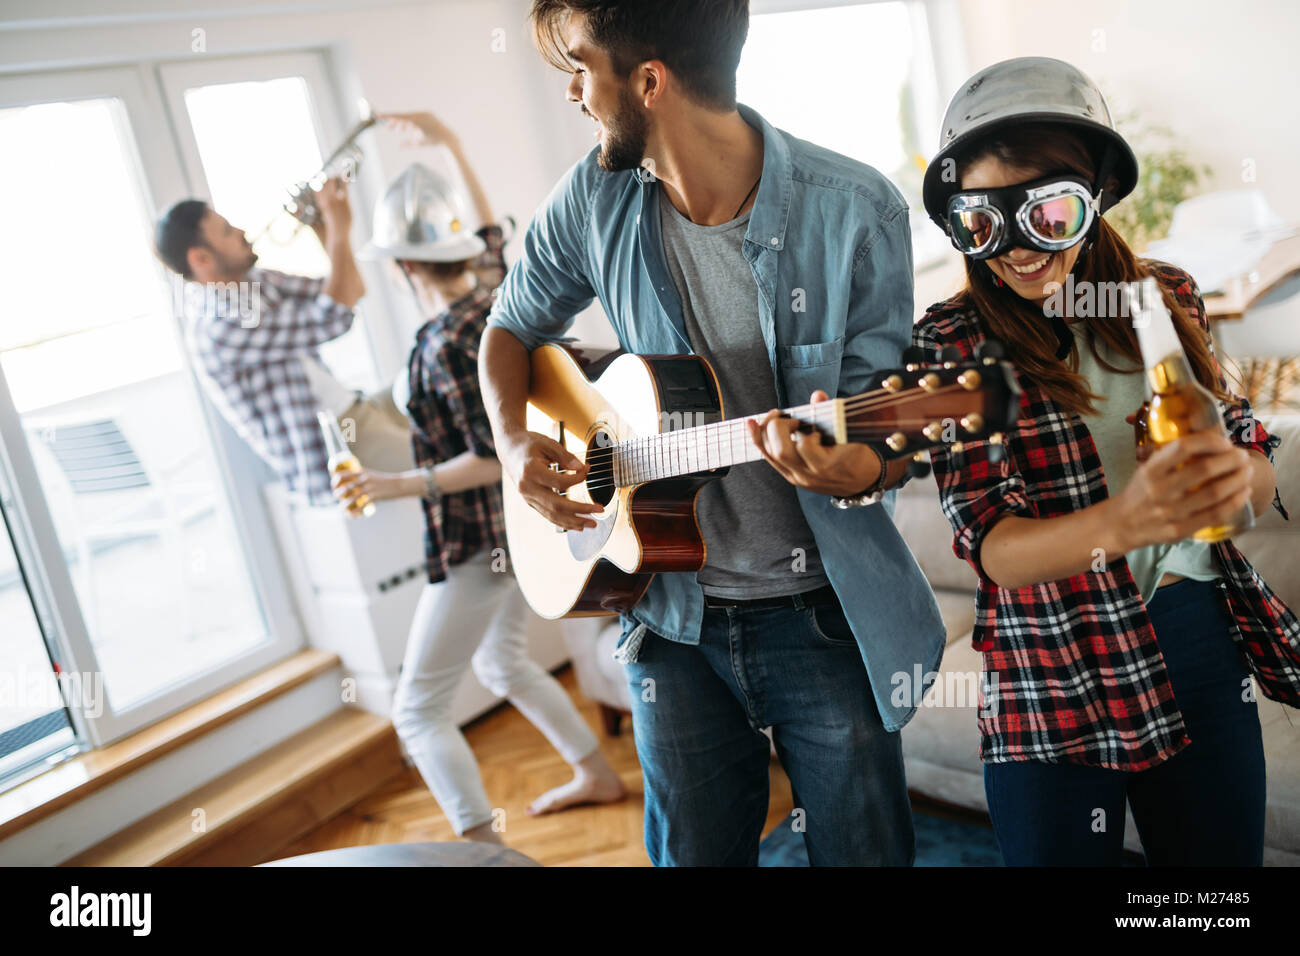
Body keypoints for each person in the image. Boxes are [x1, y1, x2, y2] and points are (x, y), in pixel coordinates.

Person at [479, 0, 946, 866]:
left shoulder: (857, 210)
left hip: (825, 620)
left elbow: (885, 437)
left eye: (581, 67)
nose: (575, 94)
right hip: (668, 619)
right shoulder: (595, 196)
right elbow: (507, 330)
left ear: (649, 82)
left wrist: (845, 467)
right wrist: (515, 446)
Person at [911, 56, 1300, 866]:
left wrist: (1243, 479)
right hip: (1048, 660)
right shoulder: (951, 344)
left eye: (1049, 214)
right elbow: (995, 547)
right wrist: (1128, 519)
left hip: (1196, 638)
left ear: (1096, 199)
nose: (1018, 251)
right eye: (983, 225)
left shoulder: (1165, 298)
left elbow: (1252, 465)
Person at [335, 111, 625, 843]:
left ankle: (479, 847)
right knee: (502, 662)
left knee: (417, 708)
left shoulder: (442, 342)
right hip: (515, 533)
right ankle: (595, 771)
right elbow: (491, 235)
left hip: (476, 538)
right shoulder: (498, 297)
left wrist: (397, 484)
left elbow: (497, 453)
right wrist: (450, 144)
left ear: (401, 269)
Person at [155, 182, 412, 505]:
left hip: (352, 413)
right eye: (225, 230)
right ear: (201, 258)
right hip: (338, 451)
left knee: (424, 381)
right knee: (444, 460)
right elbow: (335, 317)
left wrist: (323, 230)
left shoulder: (253, 281)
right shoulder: (219, 324)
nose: (240, 231)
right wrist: (339, 227)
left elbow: (352, 291)